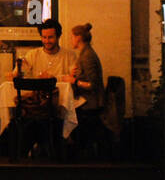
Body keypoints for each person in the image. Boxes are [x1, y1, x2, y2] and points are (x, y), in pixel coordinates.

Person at [69, 22, 107, 155]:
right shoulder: (86, 53)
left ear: (78, 37)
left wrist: (75, 81)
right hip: (88, 99)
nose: (71, 40)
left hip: (91, 101)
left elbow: (93, 84)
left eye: (72, 37)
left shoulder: (87, 56)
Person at [12, 18, 78, 79]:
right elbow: (17, 74)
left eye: (50, 37)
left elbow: (73, 79)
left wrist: (52, 78)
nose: (47, 41)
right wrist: (18, 71)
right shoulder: (32, 54)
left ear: (58, 37)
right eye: (44, 37)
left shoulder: (70, 56)